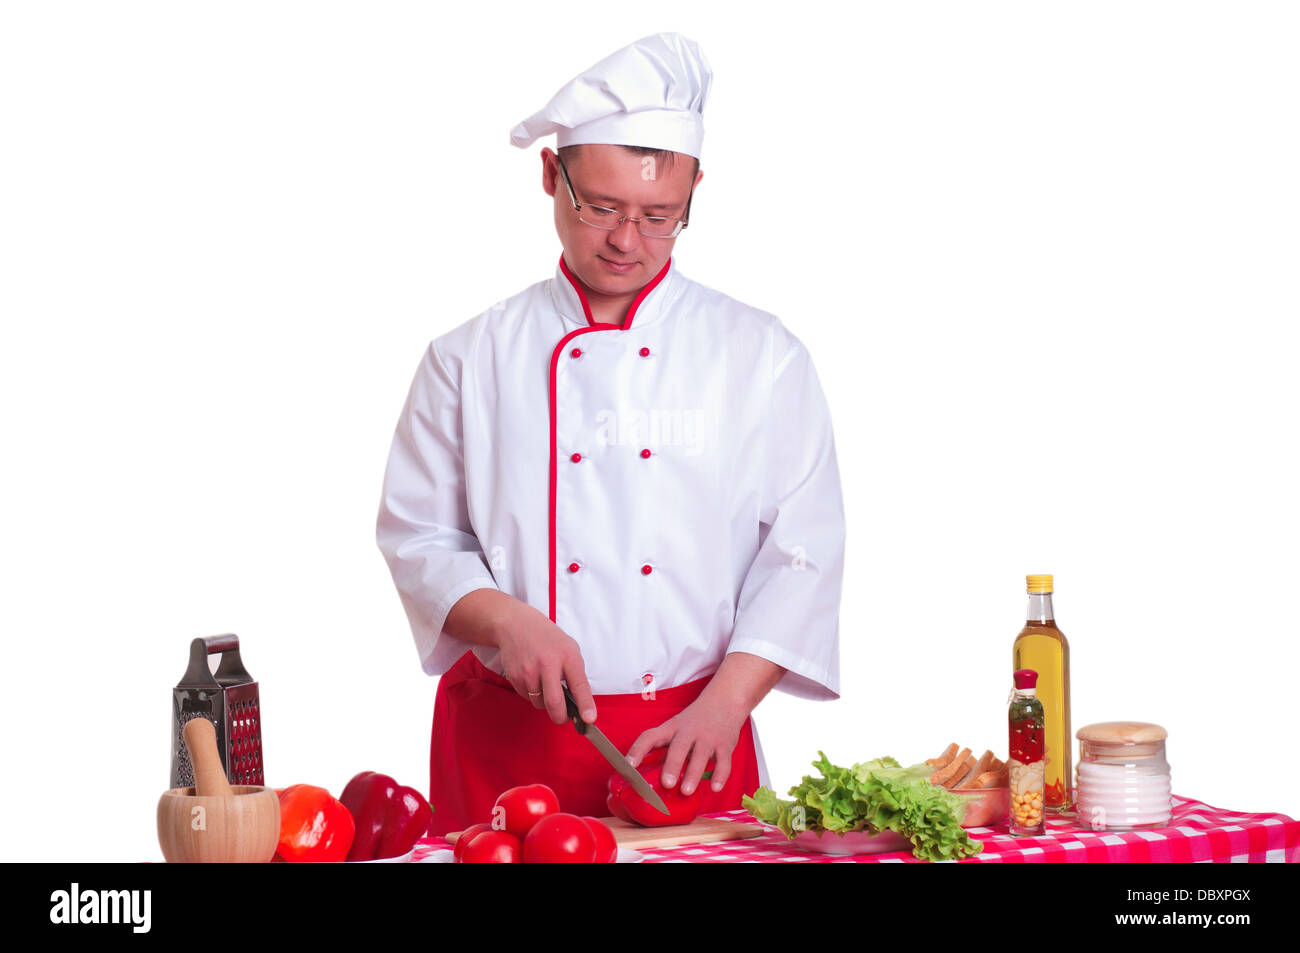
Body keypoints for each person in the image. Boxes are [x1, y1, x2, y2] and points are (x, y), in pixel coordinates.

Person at [376, 33, 846, 836]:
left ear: (696, 188)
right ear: (550, 177)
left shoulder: (760, 356)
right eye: (600, 208)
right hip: (507, 747)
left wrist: (728, 702)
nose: (627, 241)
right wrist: (502, 618)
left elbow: (803, 550)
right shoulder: (468, 357)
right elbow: (418, 536)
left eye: (660, 217)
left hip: (691, 743)